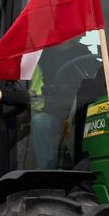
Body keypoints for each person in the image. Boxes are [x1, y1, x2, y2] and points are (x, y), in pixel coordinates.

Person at [28, 38, 96, 168]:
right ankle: (48, 170)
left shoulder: (82, 51)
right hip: (54, 112)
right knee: (40, 122)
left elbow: (97, 70)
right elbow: (33, 90)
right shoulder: (42, 56)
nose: (83, 34)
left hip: (83, 109)